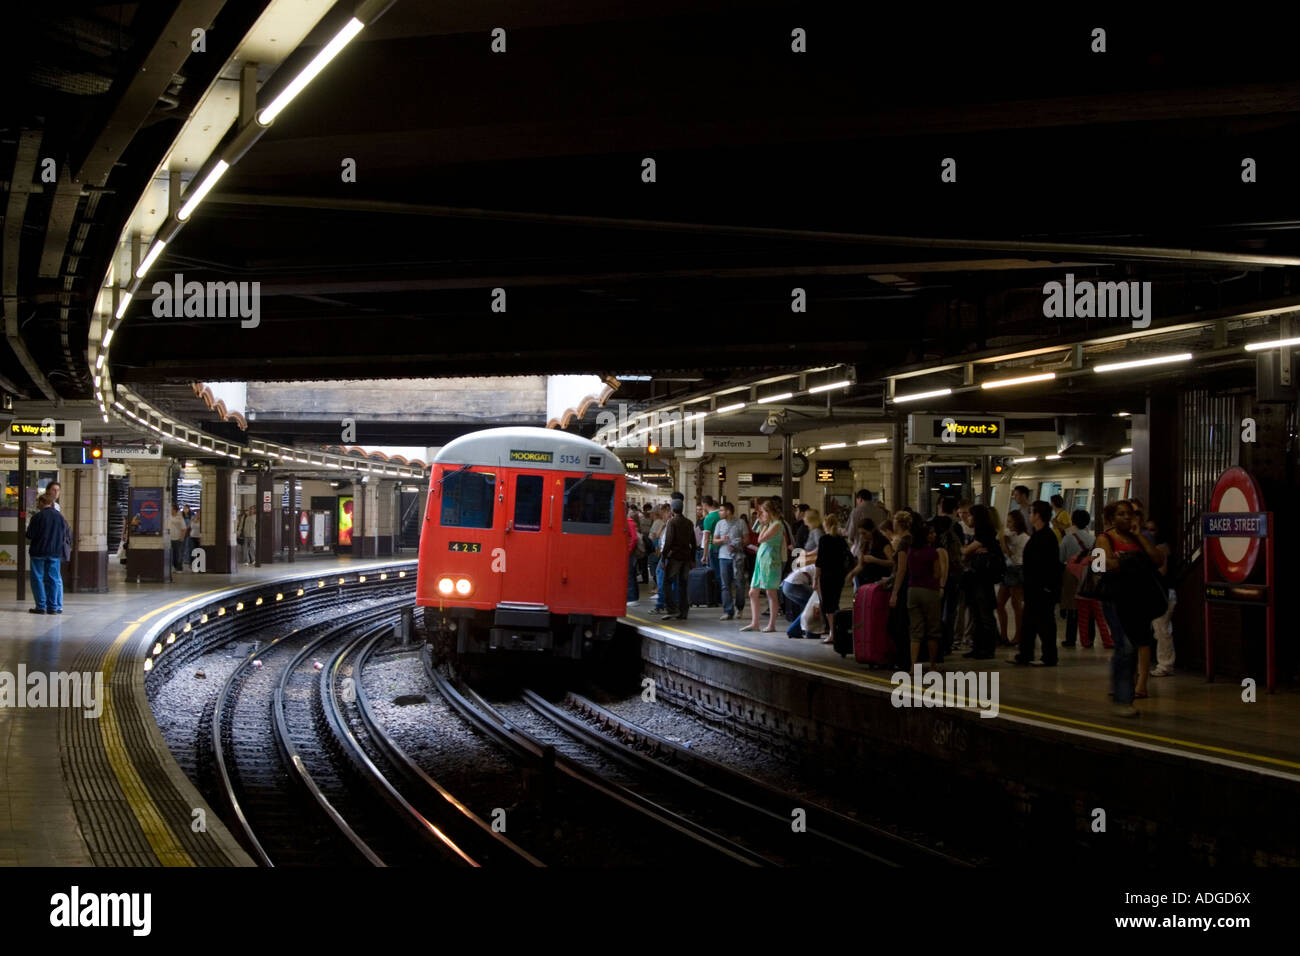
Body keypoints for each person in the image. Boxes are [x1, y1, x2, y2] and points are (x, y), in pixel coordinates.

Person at [1095, 500, 1166, 716]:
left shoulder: (1139, 538)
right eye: (1121, 514)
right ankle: (1123, 698)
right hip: (1115, 599)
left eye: (1130, 514)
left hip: (1138, 599)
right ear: (1111, 519)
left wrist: (1139, 539)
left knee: (1134, 645)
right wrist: (1130, 561)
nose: (1127, 518)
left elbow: (1157, 559)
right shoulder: (1104, 538)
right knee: (1124, 646)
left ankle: (1124, 690)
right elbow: (1101, 564)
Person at [892, 519, 947, 668]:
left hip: (912, 590)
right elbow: (937, 573)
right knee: (932, 630)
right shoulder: (932, 553)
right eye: (931, 533)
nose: (934, 535)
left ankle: (913, 666)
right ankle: (933, 664)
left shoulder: (910, 552)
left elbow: (905, 569)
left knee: (915, 631)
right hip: (929, 590)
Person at [1013, 501, 1062, 666]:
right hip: (1034, 587)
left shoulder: (1046, 536)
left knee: (1045, 623)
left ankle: (1049, 656)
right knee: (1029, 623)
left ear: (1038, 515)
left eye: (1031, 512)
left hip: (1041, 588)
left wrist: (1046, 587)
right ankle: (1025, 654)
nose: (1029, 515)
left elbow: (1048, 565)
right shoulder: (1038, 534)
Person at [960, 504, 1001, 659]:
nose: (967, 518)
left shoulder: (984, 532)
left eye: (970, 515)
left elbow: (965, 551)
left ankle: (987, 648)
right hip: (977, 578)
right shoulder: (981, 532)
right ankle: (978, 647)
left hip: (982, 579)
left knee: (984, 614)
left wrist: (967, 549)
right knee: (977, 613)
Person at [741, 498, 784, 632]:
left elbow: (760, 539)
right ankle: (755, 623)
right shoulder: (768, 524)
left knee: (771, 592)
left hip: (771, 561)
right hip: (762, 561)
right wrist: (761, 522)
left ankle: (771, 624)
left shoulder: (776, 524)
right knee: (753, 592)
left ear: (769, 512)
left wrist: (764, 525)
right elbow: (756, 532)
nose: (762, 515)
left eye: (763, 512)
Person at [1058, 509, 1096, 648]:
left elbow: (1061, 558)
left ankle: (1070, 639)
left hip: (1072, 576)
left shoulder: (1068, 538)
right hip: (1087, 576)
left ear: (1073, 521)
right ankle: (1090, 638)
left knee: (1072, 607)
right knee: (1089, 607)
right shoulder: (1092, 538)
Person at [25, 493, 68, 614]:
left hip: (38, 552)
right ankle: (53, 607)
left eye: (39, 502)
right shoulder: (60, 517)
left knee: (37, 578)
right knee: (53, 579)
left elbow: (29, 535)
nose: (38, 505)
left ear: (42, 502)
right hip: (54, 552)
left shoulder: (37, 517)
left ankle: (41, 606)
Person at [813, 514, 850, 646]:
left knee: (828, 606)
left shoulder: (824, 540)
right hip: (839, 576)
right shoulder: (841, 540)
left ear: (825, 525)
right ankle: (836, 632)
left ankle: (832, 634)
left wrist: (815, 578)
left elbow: (820, 561)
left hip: (827, 576)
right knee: (835, 603)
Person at [660, 499, 695, 621]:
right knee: (683, 584)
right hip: (686, 556)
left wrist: (663, 557)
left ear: (673, 510)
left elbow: (669, 541)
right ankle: (683, 611)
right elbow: (693, 542)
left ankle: (672, 609)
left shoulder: (672, 522)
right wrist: (693, 559)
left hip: (675, 557)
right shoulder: (689, 523)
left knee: (667, 582)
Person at [997, 509, 1028, 646]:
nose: (1007, 524)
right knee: (1000, 603)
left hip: (1017, 569)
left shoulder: (1021, 537)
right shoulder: (1014, 535)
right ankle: (1004, 635)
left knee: (1016, 604)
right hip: (1009, 569)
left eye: (1010, 522)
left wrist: (1003, 543)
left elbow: (1009, 552)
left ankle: (1018, 635)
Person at [713, 502, 744, 621]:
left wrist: (737, 544)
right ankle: (728, 610)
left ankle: (739, 608)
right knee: (725, 585)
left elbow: (746, 539)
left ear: (728, 511)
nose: (719, 513)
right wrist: (722, 540)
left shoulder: (740, 523)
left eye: (721, 510)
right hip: (723, 557)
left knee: (739, 583)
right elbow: (714, 541)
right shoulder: (719, 524)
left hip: (737, 557)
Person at [780, 557, 816, 639]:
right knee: (813, 606)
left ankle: (807, 631)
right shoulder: (820, 569)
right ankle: (796, 630)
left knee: (807, 608)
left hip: (786, 585)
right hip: (794, 585)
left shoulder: (813, 566)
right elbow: (816, 587)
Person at [700, 495, 722, 598]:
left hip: (713, 548)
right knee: (723, 573)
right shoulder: (721, 514)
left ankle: (716, 596)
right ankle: (724, 596)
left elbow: (706, 538)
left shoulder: (708, 518)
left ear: (704, 505)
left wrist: (705, 555)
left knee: (715, 574)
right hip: (724, 547)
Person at [625, 502, 641, 605]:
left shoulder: (629, 522)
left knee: (630, 574)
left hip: (630, 553)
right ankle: (634, 597)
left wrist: (629, 549)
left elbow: (634, 538)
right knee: (631, 574)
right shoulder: (627, 521)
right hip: (629, 552)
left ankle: (632, 598)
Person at [167, 503, 188, 572]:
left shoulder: (180, 518)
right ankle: (173, 566)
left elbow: (184, 528)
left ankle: (179, 567)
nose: (170, 510)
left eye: (172, 509)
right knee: (171, 554)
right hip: (169, 538)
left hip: (177, 538)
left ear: (175, 510)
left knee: (178, 554)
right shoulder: (168, 517)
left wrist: (182, 538)